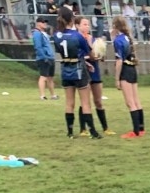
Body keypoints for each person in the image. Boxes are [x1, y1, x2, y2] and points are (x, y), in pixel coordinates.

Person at [53, 8, 99, 137]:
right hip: (78, 69)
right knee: (85, 102)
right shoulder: (77, 36)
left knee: (69, 102)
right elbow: (89, 53)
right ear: (72, 19)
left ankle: (70, 132)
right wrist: (94, 57)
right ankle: (92, 132)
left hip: (65, 68)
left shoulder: (56, 35)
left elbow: (59, 50)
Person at [112, 15, 145, 137]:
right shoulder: (128, 38)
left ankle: (135, 131)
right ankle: (141, 129)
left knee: (130, 102)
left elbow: (119, 61)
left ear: (115, 27)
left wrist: (117, 79)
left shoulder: (117, 40)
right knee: (136, 101)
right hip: (132, 69)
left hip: (125, 70)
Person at [79, 16, 110, 136]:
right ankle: (83, 129)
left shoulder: (94, 40)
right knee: (85, 102)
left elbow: (99, 55)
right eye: (84, 24)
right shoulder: (77, 39)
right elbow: (79, 56)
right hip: (83, 72)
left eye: (88, 24)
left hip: (95, 72)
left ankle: (105, 127)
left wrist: (100, 56)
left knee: (98, 101)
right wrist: (88, 58)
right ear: (78, 26)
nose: (87, 26)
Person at [33, 18, 57, 99]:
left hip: (50, 57)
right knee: (43, 76)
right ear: (38, 23)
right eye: (43, 23)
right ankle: (42, 95)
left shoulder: (43, 33)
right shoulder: (37, 34)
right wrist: (44, 57)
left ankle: (53, 95)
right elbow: (38, 47)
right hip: (43, 58)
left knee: (50, 77)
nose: (45, 24)